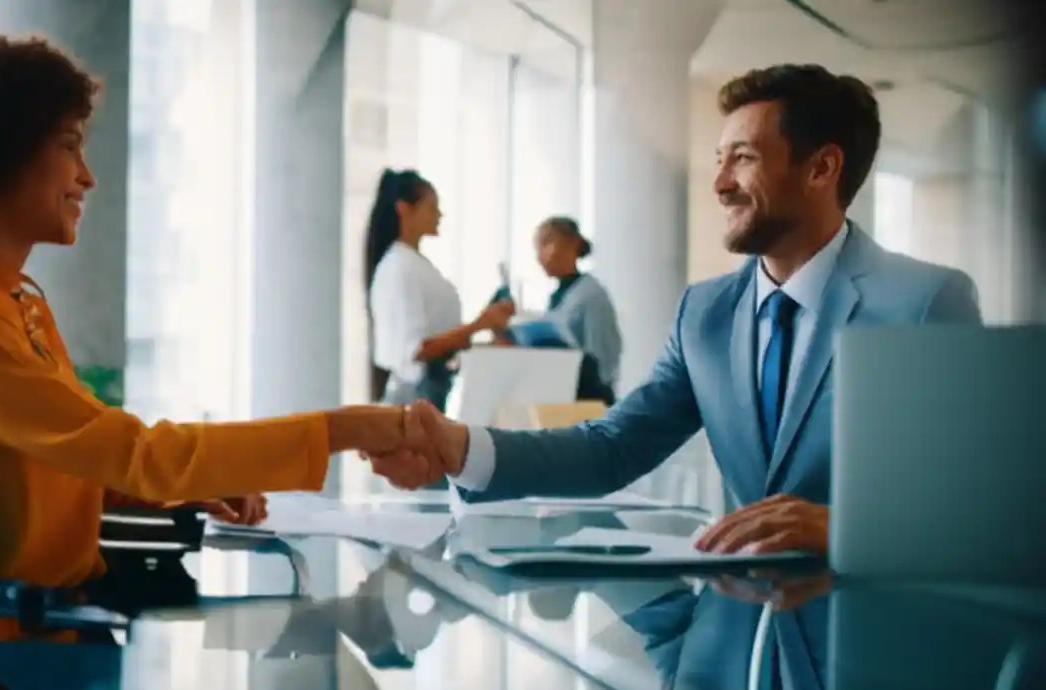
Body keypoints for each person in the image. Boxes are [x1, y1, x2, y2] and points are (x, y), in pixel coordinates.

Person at [0, 36, 442, 629]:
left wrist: (176, 491)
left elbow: (73, 463)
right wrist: (345, 428)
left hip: (57, 621)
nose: (86, 178)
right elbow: (126, 450)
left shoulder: (15, 299)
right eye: (69, 147)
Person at [370, 64, 982, 556]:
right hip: (739, 644)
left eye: (742, 158)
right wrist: (461, 446)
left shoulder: (925, 302)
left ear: (822, 167)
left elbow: (975, 503)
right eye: (719, 159)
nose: (719, 184)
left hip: (877, 653)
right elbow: (615, 445)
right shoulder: (706, 313)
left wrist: (844, 529)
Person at [366, 169, 515, 412]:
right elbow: (415, 349)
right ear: (404, 209)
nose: (439, 215)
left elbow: (439, 337)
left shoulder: (414, 264)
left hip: (431, 394)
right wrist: (480, 324)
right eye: (432, 207)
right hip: (414, 398)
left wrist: (485, 326)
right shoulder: (400, 267)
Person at [512, 216, 622, 405]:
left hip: (588, 399)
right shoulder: (558, 296)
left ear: (572, 244)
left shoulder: (591, 295)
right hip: (562, 394)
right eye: (537, 248)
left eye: (546, 243)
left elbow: (604, 356)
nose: (540, 256)